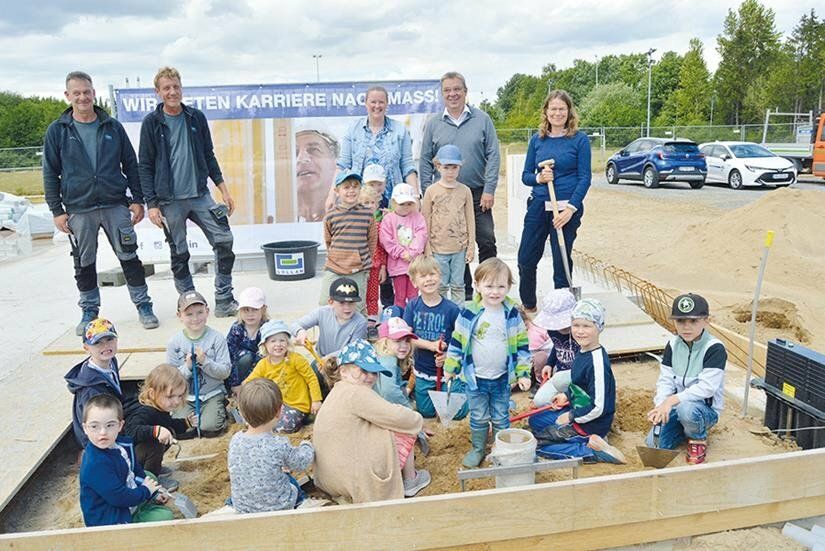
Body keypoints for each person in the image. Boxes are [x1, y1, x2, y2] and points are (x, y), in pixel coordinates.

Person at [43, 71, 158, 335]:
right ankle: (89, 311)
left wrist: (137, 199)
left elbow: (130, 164)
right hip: (79, 208)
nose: (82, 97)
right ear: (68, 96)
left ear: (94, 93)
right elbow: (50, 172)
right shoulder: (58, 131)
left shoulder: (112, 127)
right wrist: (57, 210)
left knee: (129, 256)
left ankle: (143, 305)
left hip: (115, 204)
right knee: (84, 262)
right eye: (76, 93)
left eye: (87, 92)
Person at [138, 66, 238, 317]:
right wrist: (152, 205)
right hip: (169, 201)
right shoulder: (151, 123)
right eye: (166, 88)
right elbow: (145, 165)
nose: (172, 92)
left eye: (176, 87)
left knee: (224, 240)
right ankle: (189, 304)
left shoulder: (196, 118)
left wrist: (223, 190)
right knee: (179, 252)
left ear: (181, 88)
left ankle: (224, 299)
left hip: (200, 195)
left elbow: (209, 155)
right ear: (158, 92)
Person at [313, 340, 430, 502]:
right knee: (402, 426)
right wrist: (418, 421)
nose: (370, 377)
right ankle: (411, 480)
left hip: (327, 477)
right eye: (363, 370)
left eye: (374, 372)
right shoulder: (356, 393)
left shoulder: (338, 390)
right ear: (343, 371)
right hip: (355, 481)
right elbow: (398, 417)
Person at [420, 72, 500, 301]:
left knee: (486, 239)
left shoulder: (482, 119)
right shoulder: (434, 124)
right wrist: (428, 192)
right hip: (445, 196)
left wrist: (489, 189)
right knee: (453, 244)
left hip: (477, 193)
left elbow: (493, 155)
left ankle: (489, 289)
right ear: (442, 94)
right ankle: (463, 293)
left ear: (465, 91)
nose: (452, 94)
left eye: (457, 89)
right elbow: (425, 159)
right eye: (447, 90)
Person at [444, 258, 532, 468]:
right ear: (477, 285)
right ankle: (478, 448)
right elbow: (457, 341)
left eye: (501, 286)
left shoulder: (511, 314)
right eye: (489, 286)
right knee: (478, 415)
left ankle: (501, 449)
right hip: (475, 379)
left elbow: (522, 345)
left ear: (508, 287)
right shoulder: (469, 312)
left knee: (501, 416)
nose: (495, 292)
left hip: (501, 378)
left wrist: (523, 373)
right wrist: (451, 367)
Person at [517, 90, 592, 312]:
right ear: (546, 112)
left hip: (566, 208)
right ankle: (529, 305)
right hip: (539, 205)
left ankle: (562, 308)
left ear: (569, 111)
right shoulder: (537, 140)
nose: (557, 113)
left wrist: (570, 209)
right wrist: (539, 178)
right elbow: (526, 175)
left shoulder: (579, 140)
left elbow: (585, 177)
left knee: (561, 261)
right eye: (553, 109)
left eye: (562, 109)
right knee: (526, 258)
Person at [528, 299, 625, 464]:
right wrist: (566, 395)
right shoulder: (583, 351)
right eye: (576, 325)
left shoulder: (597, 363)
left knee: (538, 446)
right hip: (579, 412)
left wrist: (571, 416)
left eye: (587, 326)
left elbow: (599, 407)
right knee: (535, 421)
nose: (580, 331)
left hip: (591, 423)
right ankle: (583, 439)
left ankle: (591, 451)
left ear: (599, 327)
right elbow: (579, 385)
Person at [646, 293, 727, 465]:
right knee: (653, 443)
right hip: (677, 407)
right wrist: (661, 405)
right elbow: (666, 380)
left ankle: (697, 438)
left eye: (693, 321)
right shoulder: (673, 345)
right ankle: (684, 430)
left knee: (687, 409)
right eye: (681, 321)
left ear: (706, 321)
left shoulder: (714, 348)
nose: (686, 327)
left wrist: (671, 400)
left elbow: (707, 388)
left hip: (703, 410)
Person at [79, 394, 173, 526]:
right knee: (165, 516)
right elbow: (118, 497)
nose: (103, 432)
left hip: (126, 492)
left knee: (149, 476)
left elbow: (135, 470)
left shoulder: (121, 445)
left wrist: (153, 493)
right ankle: (137, 516)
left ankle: (144, 502)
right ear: (85, 428)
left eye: (110, 425)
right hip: (112, 518)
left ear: (120, 425)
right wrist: (146, 491)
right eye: (94, 426)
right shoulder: (95, 464)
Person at [228, 378, 314, 513]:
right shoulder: (278, 444)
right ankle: (302, 502)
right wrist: (307, 446)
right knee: (290, 480)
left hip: (243, 508)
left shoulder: (235, 440)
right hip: (277, 507)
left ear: (242, 413)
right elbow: (300, 463)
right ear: (279, 412)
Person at [402, 256, 467, 420]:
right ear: (414, 282)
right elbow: (408, 337)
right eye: (423, 276)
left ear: (440, 276)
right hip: (423, 370)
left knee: (455, 413)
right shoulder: (412, 306)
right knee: (426, 412)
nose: (429, 279)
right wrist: (431, 345)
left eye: (432, 274)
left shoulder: (452, 309)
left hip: (448, 371)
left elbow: (463, 341)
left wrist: (449, 356)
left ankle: (464, 389)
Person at [335, 85, 419, 205]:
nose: (377, 106)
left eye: (381, 102)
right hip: (360, 203)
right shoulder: (353, 129)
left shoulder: (400, 130)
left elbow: (407, 166)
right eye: (373, 102)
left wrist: (416, 197)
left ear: (387, 104)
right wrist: (331, 196)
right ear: (366, 103)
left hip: (394, 202)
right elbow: (343, 165)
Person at [167, 291, 231, 436]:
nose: (195, 318)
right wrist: (188, 367)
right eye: (189, 314)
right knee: (183, 430)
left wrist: (205, 362)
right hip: (184, 396)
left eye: (200, 312)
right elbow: (170, 379)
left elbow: (225, 372)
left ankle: (220, 409)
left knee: (209, 428)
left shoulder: (217, 338)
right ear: (179, 316)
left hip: (212, 393)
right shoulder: (174, 342)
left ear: (207, 311)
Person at [123, 364, 196, 490]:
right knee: (155, 445)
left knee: (168, 432)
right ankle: (149, 479)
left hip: (135, 454)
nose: (177, 401)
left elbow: (168, 423)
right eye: (170, 396)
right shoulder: (144, 411)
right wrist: (155, 431)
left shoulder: (159, 407)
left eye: (179, 396)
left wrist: (186, 423)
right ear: (152, 393)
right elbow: (131, 432)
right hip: (126, 461)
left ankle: (151, 466)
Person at [244, 320, 322, 433]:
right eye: (273, 341)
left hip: (296, 405)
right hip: (275, 404)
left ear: (288, 343)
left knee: (284, 426)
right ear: (265, 345)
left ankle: (304, 419)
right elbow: (250, 381)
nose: (278, 344)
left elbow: (311, 378)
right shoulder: (263, 364)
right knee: (255, 418)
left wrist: (316, 400)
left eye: (282, 340)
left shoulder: (296, 359)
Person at [421, 144, 475, 304]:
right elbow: (425, 220)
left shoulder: (465, 191)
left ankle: (458, 314)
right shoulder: (431, 191)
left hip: (459, 248)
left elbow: (470, 219)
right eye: (446, 167)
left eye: (454, 167)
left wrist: (471, 246)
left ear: (460, 167)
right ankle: (443, 312)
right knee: (441, 285)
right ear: (438, 166)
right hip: (438, 248)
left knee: (458, 285)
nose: (450, 171)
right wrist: (427, 247)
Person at [320, 170, 377, 314]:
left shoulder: (367, 214)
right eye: (346, 187)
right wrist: (336, 256)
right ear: (337, 191)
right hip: (334, 267)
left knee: (357, 307)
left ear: (360, 189)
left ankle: (359, 329)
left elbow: (372, 241)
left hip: (358, 270)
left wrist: (364, 262)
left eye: (355, 186)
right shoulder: (331, 216)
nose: (351, 190)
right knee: (325, 304)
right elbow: (329, 241)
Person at [66, 318, 124, 449]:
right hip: (98, 440)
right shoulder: (91, 390)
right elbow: (94, 427)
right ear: (86, 348)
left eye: (109, 339)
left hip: (111, 416)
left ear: (116, 340)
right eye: (97, 343)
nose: (105, 346)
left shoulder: (111, 361)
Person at [292, 276, 368, 367]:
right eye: (342, 303)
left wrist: (328, 358)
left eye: (351, 303)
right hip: (321, 359)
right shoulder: (322, 312)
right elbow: (295, 325)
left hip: (346, 363)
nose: (347, 307)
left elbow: (352, 350)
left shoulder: (360, 322)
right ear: (330, 302)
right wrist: (300, 331)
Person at [379, 183, 427, 308]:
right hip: (397, 265)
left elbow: (421, 235)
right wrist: (401, 253)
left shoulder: (418, 217)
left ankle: (413, 316)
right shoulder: (388, 219)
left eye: (409, 204)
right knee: (400, 295)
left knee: (413, 294)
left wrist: (412, 252)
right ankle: (399, 316)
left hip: (414, 264)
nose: (406, 207)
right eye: (402, 204)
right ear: (393, 203)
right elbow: (386, 240)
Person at [529, 288, 580, 398]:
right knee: (539, 400)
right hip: (560, 374)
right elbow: (557, 347)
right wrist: (549, 364)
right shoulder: (552, 330)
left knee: (561, 383)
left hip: (579, 376)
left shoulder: (579, 333)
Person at [226, 287, 269, 395]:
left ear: (263, 309)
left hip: (261, 371)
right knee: (246, 356)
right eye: (246, 310)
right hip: (238, 372)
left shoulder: (268, 328)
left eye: (254, 309)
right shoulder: (237, 329)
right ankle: (238, 389)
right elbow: (229, 356)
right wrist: (235, 384)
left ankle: (261, 387)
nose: (250, 314)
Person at [359, 185, 387, 337]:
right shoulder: (357, 225)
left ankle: (371, 323)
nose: (369, 206)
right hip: (359, 267)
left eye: (372, 202)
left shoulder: (378, 225)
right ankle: (359, 321)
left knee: (373, 295)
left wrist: (383, 266)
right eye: (365, 203)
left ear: (376, 204)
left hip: (375, 266)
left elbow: (382, 248)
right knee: (360, 294)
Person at [296, 128, 339, 222]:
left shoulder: (352, 213)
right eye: (295, 153)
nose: (302, 159)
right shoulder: (277, 219)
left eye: (313, 150)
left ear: (334, 162)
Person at [373, 317, 417, 407]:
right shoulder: (388, 361)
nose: (404, 346)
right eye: (397, 341)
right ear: (385, 342)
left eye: (407, 341)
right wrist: (408, 409)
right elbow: (389, 391)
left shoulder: (385, 357)